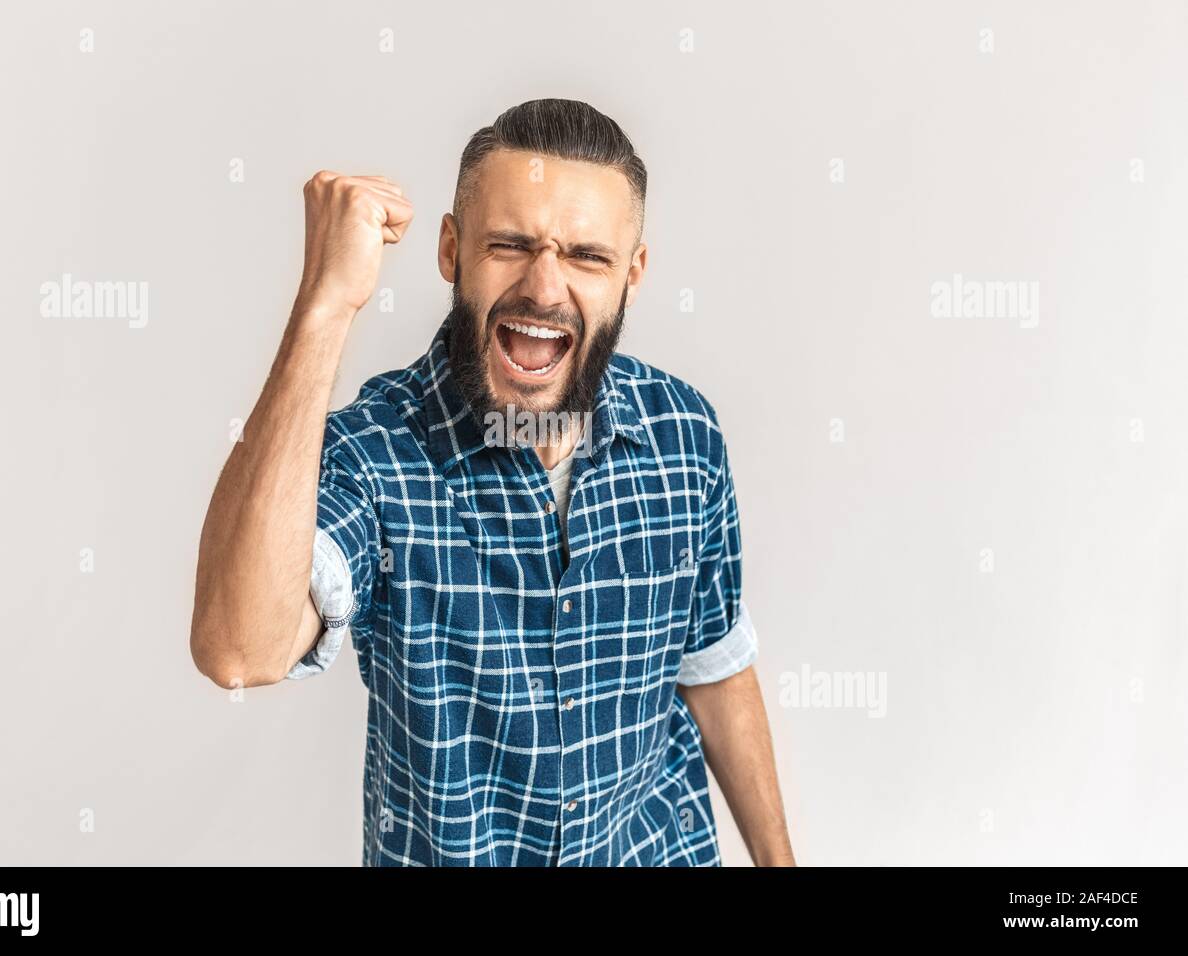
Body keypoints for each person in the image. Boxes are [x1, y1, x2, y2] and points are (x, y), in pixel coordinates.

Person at [190, 98, 795, 867]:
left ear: (632, 276)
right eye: (510, 244)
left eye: (586, 256)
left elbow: (714, 671)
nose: (543, 289)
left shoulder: (684, 432)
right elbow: (238, 650)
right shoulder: (377, 455)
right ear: (452, 251)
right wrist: (325, 306)